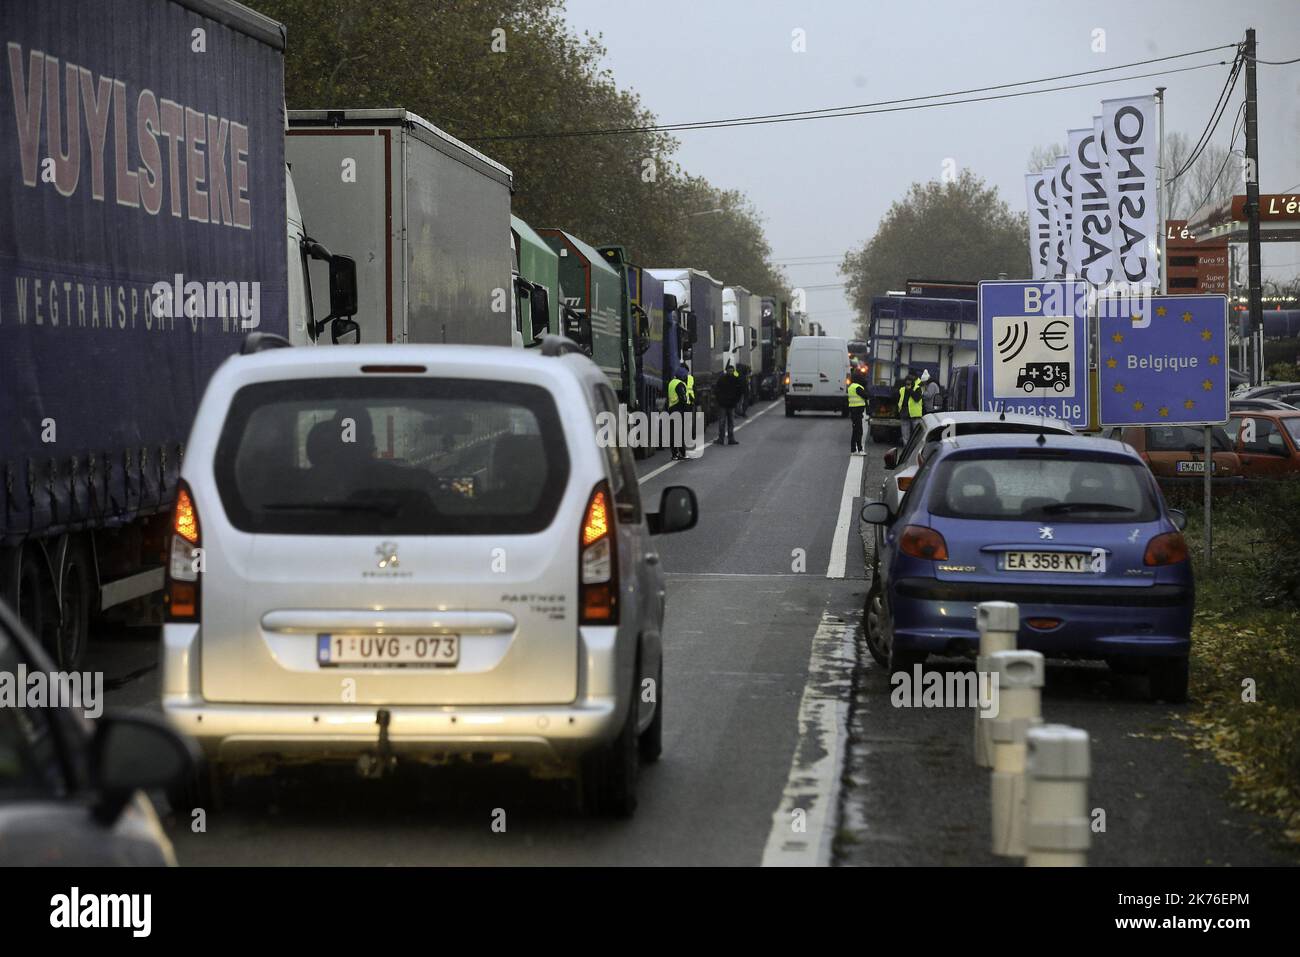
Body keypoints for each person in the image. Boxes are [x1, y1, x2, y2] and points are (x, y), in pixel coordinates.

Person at [667, 365, 691, 460]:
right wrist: (686, 408)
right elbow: (683, 398)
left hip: (672, 409)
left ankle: (674, 454)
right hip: (679, 410)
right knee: (680, 434)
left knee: (673, 433)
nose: (686, 377)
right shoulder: (680, 384)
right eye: (685, 375)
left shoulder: (671, 383)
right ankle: (682, 453)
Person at [714, 361, 741, 445]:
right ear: (727, 371)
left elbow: (738, 392)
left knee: (729, 422)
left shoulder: (731, 380)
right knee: (725, 422)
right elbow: (717, 391)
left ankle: (728, 439)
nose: (730, 372)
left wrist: (735, 400)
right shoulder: (723, 379)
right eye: (729, 370)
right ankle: (724, 439)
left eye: (731, 371)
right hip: (725, 404)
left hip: (728, 404)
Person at [897, 373, 923, 444]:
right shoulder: (902, 389)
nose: (908, 384)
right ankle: (906, 449)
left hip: (915, 414)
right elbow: (898, 400)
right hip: (904, 413)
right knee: (905, 435)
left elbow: (917, 398)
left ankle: (916, 449)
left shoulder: (917, 388)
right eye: (907, 382)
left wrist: (910, 390)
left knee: (916, 435)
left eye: (909, 382)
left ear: (913, 382)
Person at [847, 373, 867, 455]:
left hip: (853, 411)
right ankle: (859, 450)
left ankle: (853, 450)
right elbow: (866, 396)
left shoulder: (851, 387)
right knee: (859, 431)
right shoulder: (857, 387)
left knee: (855, 431)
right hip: (857, 412)